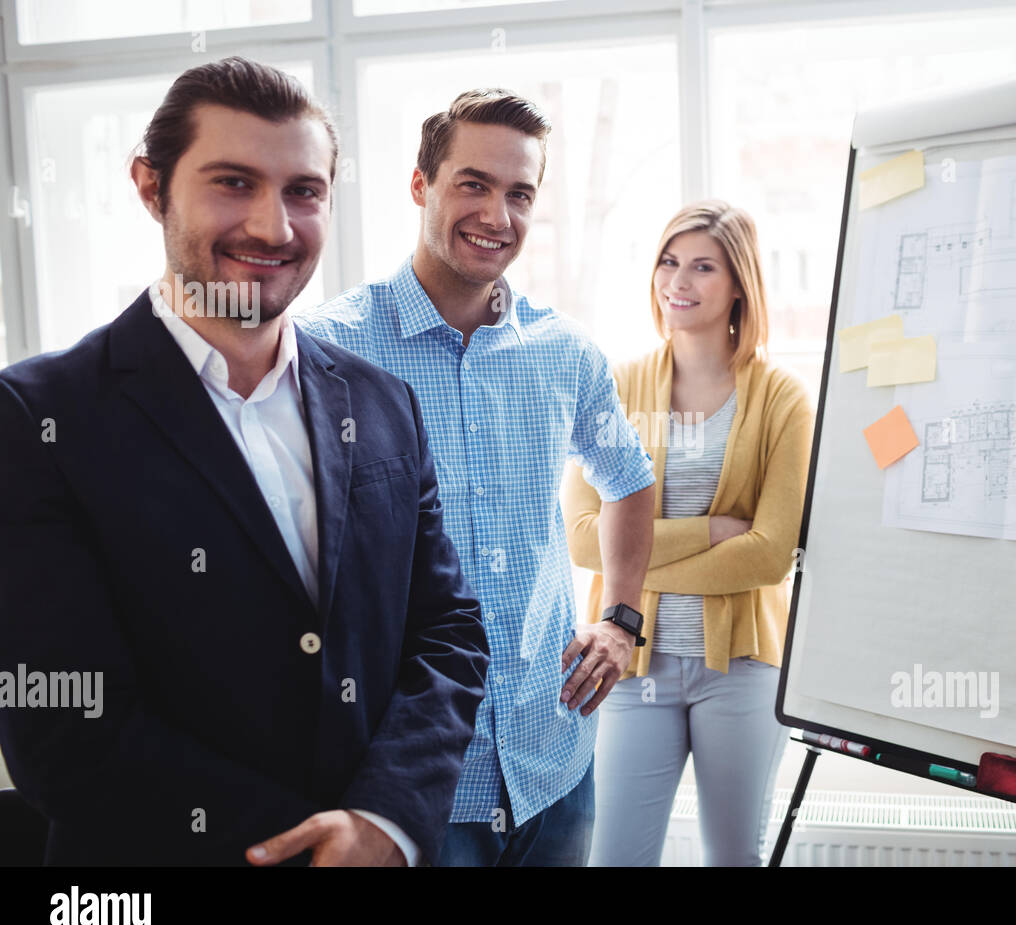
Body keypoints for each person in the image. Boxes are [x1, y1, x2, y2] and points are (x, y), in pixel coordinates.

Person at [0, 57, 490, 866]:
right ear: (150, 187)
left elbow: (447, 629)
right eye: (233, 182)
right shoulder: (36, 416)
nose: (273, 227)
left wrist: (386, 821)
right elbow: (64, 724)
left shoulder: (384, 402)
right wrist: (315, 848)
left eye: (304, 191)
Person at [298, 89, 655, 866]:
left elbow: (629, 476)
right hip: (414, 780)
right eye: (473, 184)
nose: (497, 214)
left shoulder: (566, 352)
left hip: (551, 756)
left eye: (519, 193)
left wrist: (621, 619)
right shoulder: (326, 351)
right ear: (422, 185)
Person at [561, 200, 814, 866]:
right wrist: (710, 532)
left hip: (741, 671)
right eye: (669, 262)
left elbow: (767, 558)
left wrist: (636, 555)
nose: (679, 280)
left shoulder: (782, 398)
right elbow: (585, 541)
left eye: (703, 266)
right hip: (628, 663)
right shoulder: (614, 385)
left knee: (733, 858)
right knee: (616, 857)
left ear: (739, 284)